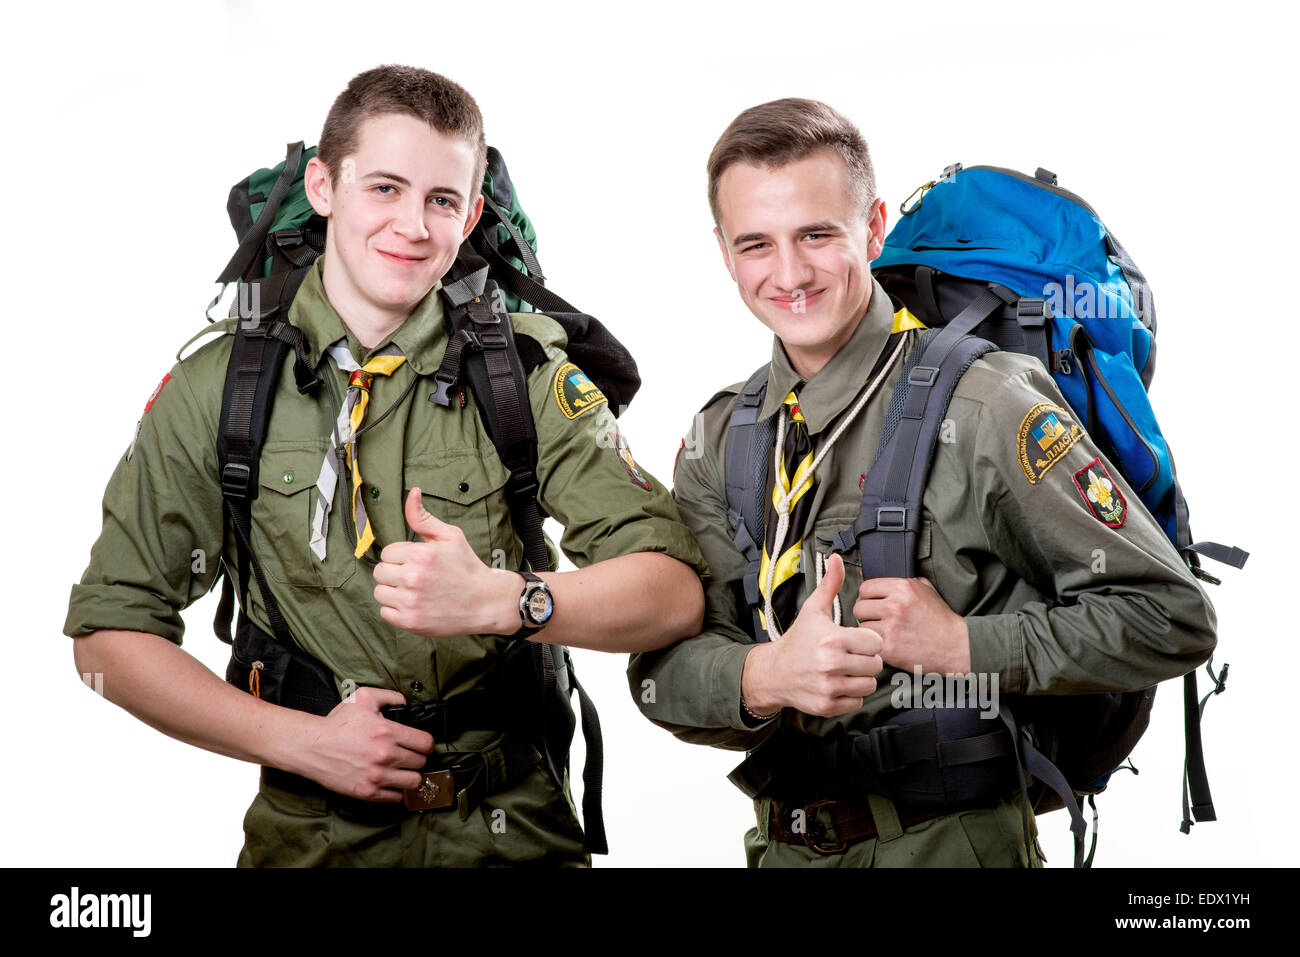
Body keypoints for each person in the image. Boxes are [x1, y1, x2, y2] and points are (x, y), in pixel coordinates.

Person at [64, 65, 705, 867]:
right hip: (310, 840)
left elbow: (675, 592)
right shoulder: (220, 388)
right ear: (324, 185)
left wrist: (511, 598)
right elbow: (108, 632)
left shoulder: (525, 379)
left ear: (471, 213)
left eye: (441, 200)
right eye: (385, 188)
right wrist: (302, 742)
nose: (412, 225)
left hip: (515, 831)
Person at [628, 98, 1217, 867]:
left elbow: (1174, 616)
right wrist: (765, 672)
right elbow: (658, 677)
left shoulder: (988, 402)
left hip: (953, 845)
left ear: (873, 229)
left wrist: (965, 644)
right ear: (723, 250)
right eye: (756, 244)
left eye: (816, 234)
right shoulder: (720, 439)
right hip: (780, 846)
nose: (790, 273)